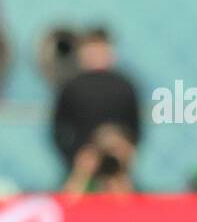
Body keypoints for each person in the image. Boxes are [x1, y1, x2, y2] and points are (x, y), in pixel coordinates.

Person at [51, 28, 141, 176]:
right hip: (82, 160)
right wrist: (76, 155)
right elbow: (59, 128)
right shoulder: (71, 87)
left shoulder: (124, 86)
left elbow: (134, 126)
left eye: (101, 50)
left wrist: (124, 148)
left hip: (118, 162)